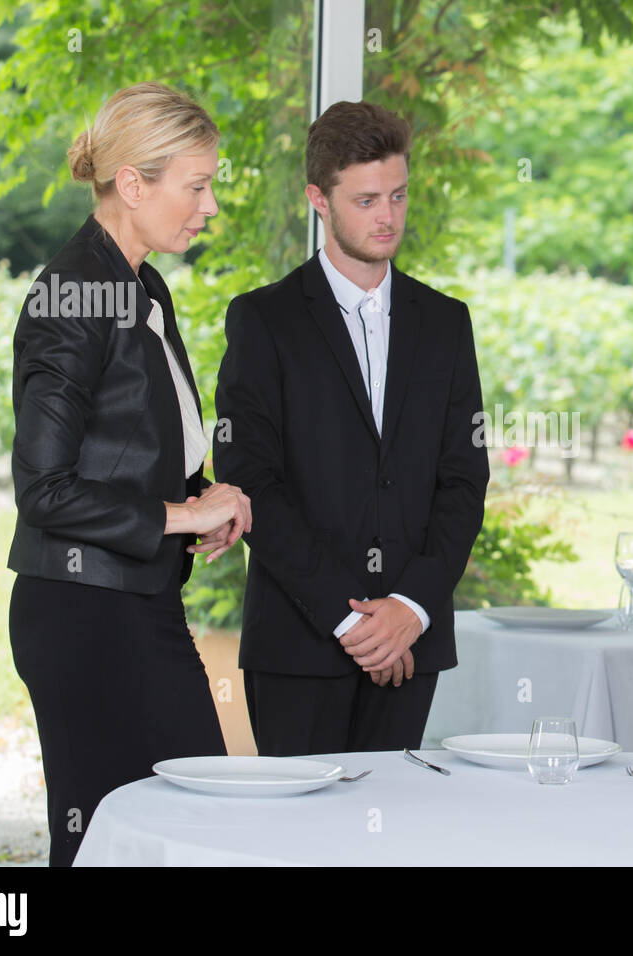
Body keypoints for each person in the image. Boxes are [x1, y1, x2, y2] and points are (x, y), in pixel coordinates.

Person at [7, 82, 252, 866]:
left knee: (187, 827)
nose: (209, 205)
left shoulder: (143, 283)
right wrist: (179, 518)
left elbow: (140, 439)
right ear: (134, 184)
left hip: (136, 603)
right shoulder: (72, 294)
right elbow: (43, 488)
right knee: (105, 842)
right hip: (82, 616)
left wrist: (208, 497)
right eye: (198, 184)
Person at [213, 101, 489, 756]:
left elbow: (463, 479)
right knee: (299, 852)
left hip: (411, 644)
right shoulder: (263, 321)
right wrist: (350, 619)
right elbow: (251, 480)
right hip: (298, 643)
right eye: (366, 200)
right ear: (319, 198)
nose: (387, 216)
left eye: (397, 195)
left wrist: (410, 609)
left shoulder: (447, 323)